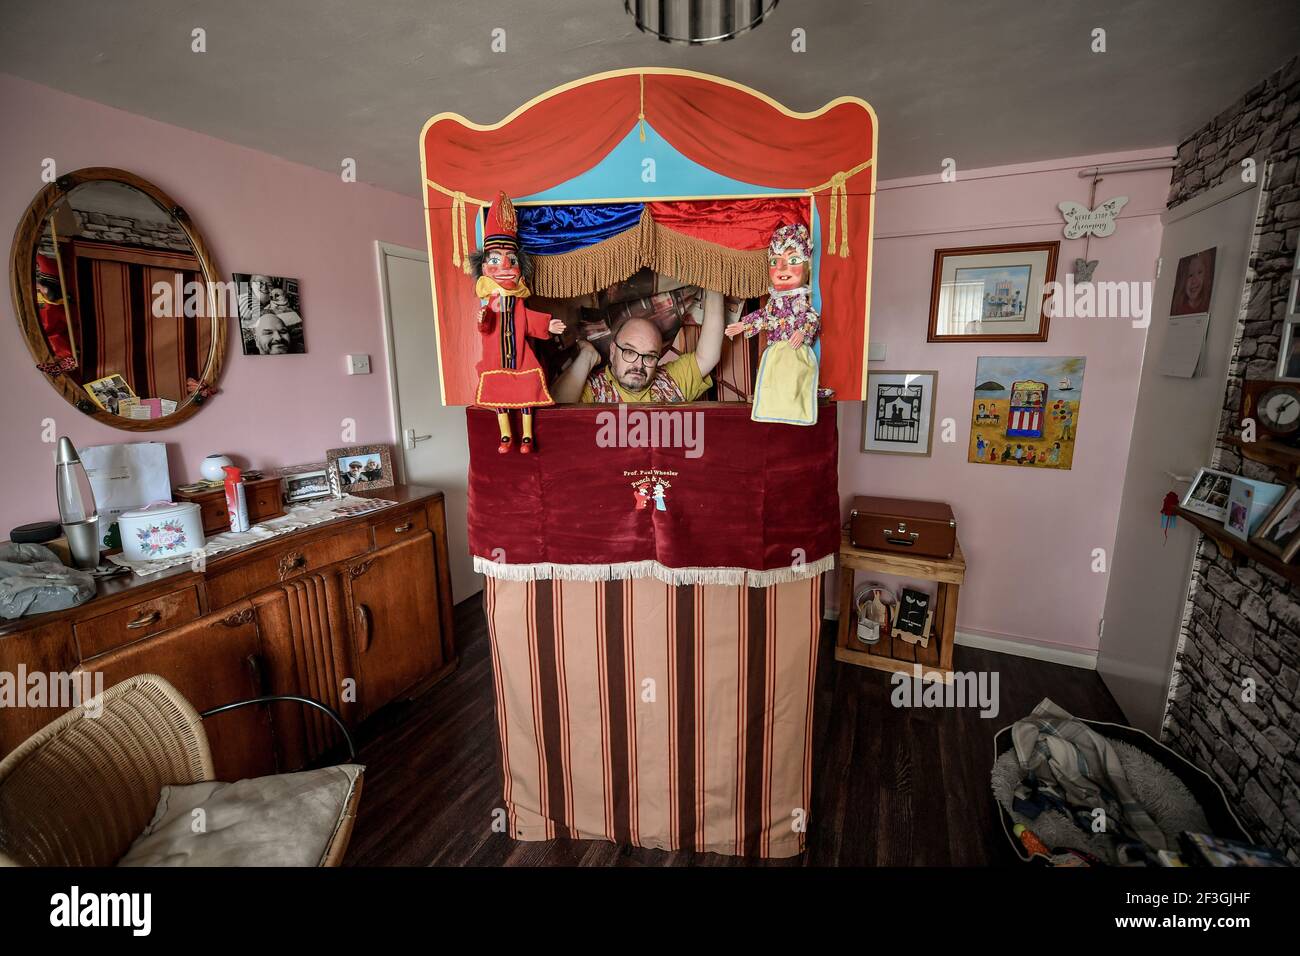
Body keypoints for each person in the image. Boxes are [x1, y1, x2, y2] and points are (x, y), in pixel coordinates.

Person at [552, 289, 725, 404]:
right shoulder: (593, 389)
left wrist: (714, 282)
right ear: (613, 351)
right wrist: (586, 357)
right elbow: (556, 409)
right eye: (629, 352)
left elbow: (709, 356)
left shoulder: (672, 380)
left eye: (649, 356)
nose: (639, 365)